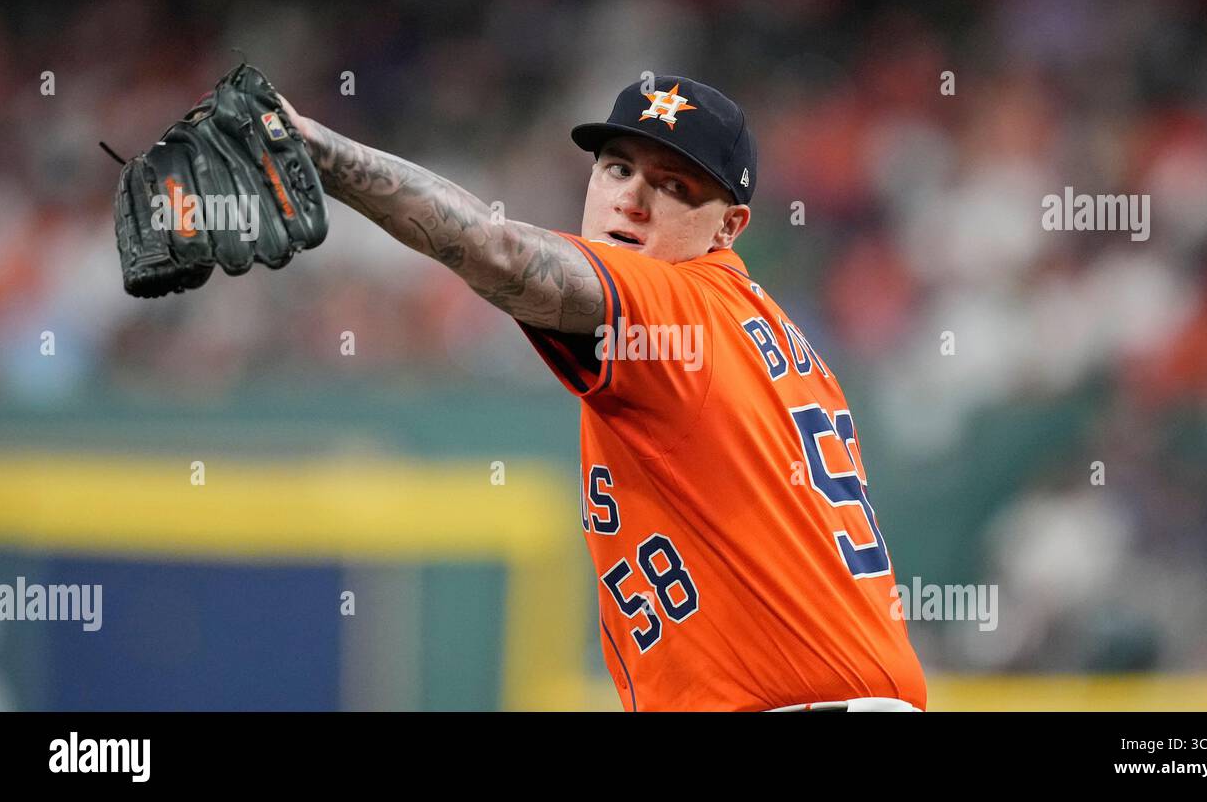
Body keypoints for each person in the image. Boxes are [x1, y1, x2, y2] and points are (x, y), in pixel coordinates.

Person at [278, 75, 926, 711]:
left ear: (728, 227)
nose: (633, 200)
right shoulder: (762, 334)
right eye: (617, 169)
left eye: (674, 186)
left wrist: (313, 149)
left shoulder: (679, 309)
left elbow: (497, 249)